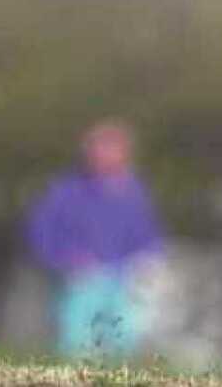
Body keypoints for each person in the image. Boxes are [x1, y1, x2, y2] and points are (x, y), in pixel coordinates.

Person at [26, 119, 165, 360]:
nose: (107, 154)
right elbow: (41, 231)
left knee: (123, 342)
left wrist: (147, 263)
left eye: (114, 148)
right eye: (101, 147)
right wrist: (65, 260)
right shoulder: (66, 191)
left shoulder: (133, 193)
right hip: (79, 281)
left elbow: (148, 236)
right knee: (76, 345)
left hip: (123, 281)